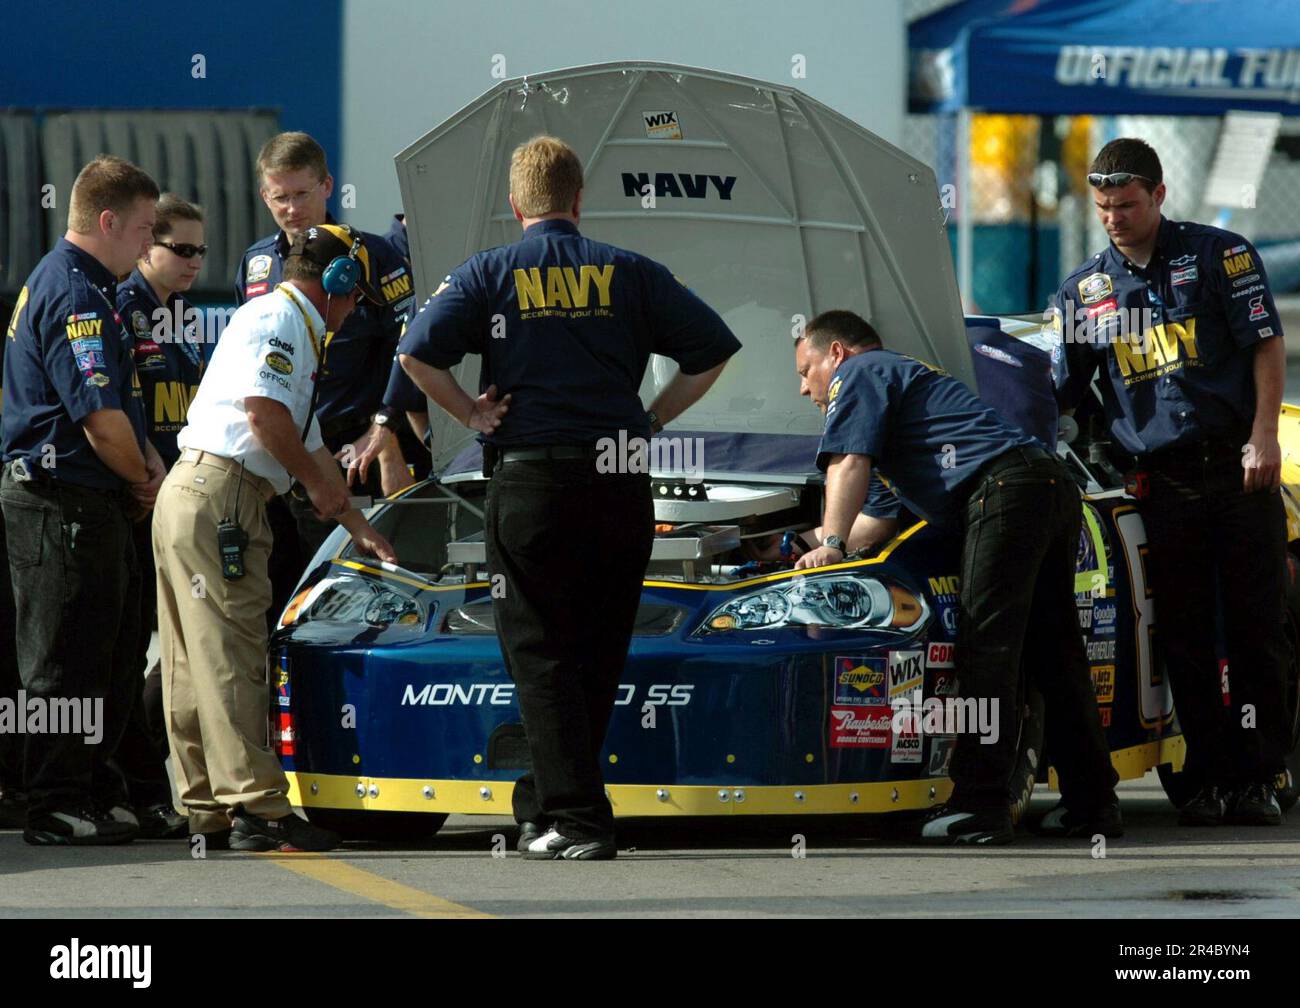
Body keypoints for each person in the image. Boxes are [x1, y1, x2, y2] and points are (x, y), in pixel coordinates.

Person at [397, 135, 741, 860]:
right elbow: (712, 348)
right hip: (619, 478)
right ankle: (549, 807)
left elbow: (415, 353)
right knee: (597, 648)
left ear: (516, 204)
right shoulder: (632, 272)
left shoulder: (489, 271)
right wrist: (652, 418)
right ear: (579, 201)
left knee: (540, 652)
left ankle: (578, 819)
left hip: (531, 480)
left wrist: (469, 412)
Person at [793, 309, 1119, 845]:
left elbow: (846, 465)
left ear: (837, 353)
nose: (805, 390)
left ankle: (982, 805)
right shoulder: (900, 393)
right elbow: (874, 520)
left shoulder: (863, 371)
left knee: (986, 650)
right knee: (1052, 653)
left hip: (1006, 490)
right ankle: (1094, 805)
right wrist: (797, 547)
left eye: (806, 371)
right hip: (1044, 485)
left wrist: (828, 545)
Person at [1049, 137, 1291, 826]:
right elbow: (1058, 391)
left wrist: (1265, 435)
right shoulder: (1083, 293)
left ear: (1158, 195)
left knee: (1256, 627)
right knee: (1183, 633)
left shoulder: (1223, 255)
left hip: (1242, 469)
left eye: (1126, 204)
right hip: (1162, 481)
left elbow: (1265, 343)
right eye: (1102, 208)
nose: (1114, 219)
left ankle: (1259, 774)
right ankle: (1208, 774)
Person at [154, 223, 395, 852]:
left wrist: (357, 526)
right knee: (234, 654)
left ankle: (204, 804)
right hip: (227, 498)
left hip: (189, 492)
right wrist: (317, 490)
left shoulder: (267, 317)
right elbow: (266, 415)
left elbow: (307, 439)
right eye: (355, 299)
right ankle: (258, 809)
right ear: (338, 286)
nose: (353, 315)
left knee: (187, 661)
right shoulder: (286, 321)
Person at [1, 155, 166, 845]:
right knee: (63, 659)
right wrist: (145, 478)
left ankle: (94, 788)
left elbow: (120, 409)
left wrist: (145, 462)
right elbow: (99, 422)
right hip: (59, 501)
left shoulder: (87, 287)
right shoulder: (76, 295)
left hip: (85, 501)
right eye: (144, 229)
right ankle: (53, 803)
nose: (150, 245)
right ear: (107, 221)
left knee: (110, 652)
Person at [235, 134, 425, 562]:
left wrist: (386, 432)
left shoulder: (372, 255)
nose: (291, 208)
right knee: (277, 588)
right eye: (279, 197)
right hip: (277, 448)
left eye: (302, 194)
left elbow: (409, 348)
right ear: (264, 195)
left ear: (327, 186)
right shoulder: (256, 263)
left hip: (353, 450)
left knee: (355, 587)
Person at [113, 193, 209, 839]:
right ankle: (138, 787)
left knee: (167, 650)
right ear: (146, 244)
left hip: (178, 500)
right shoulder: (123, 310)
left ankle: (145, 784)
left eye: (201, 250)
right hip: (134, 502)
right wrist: (142, 474)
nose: (194, 262)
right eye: (180, 248)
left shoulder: (186, 318)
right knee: (130, 652)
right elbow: (110, 408)